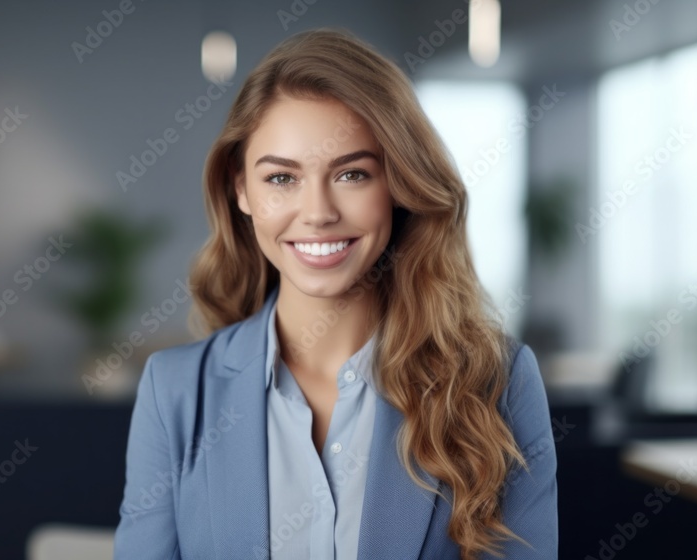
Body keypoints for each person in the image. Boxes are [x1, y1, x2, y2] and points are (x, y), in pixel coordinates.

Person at [114, 27, 557, 560]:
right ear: (241, 190)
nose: (319, 212)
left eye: (351, 173)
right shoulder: (175, 392)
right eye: (281, 178)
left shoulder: (496, 383)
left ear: (397, 183)